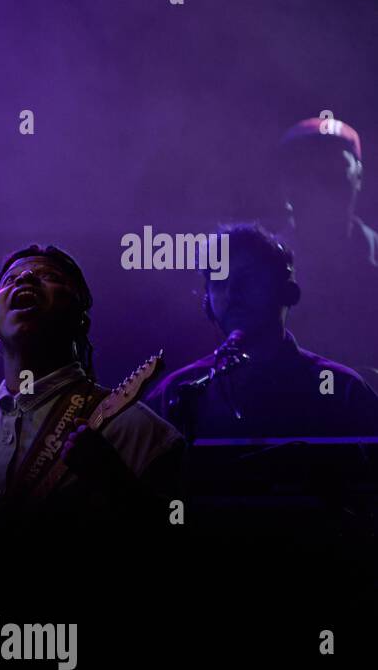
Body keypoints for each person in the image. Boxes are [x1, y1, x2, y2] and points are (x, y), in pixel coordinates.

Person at [0, 244, 184, 585]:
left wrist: (117, 485)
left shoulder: (141, 432)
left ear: (81, 318)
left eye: (49, 276)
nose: (26, 277)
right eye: (11, 278)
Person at [147, 223, 378, 439]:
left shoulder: (344, 390)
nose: (231, 294)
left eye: (247, 279)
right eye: (218, 282)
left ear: (286, 292)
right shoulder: (176, 393)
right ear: (208, 302)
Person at [272, 116, 378, 379]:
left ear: (359, 175)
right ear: (286, 184)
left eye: (333, 168)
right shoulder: (263, 267)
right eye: (304, 170)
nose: (319, 182)